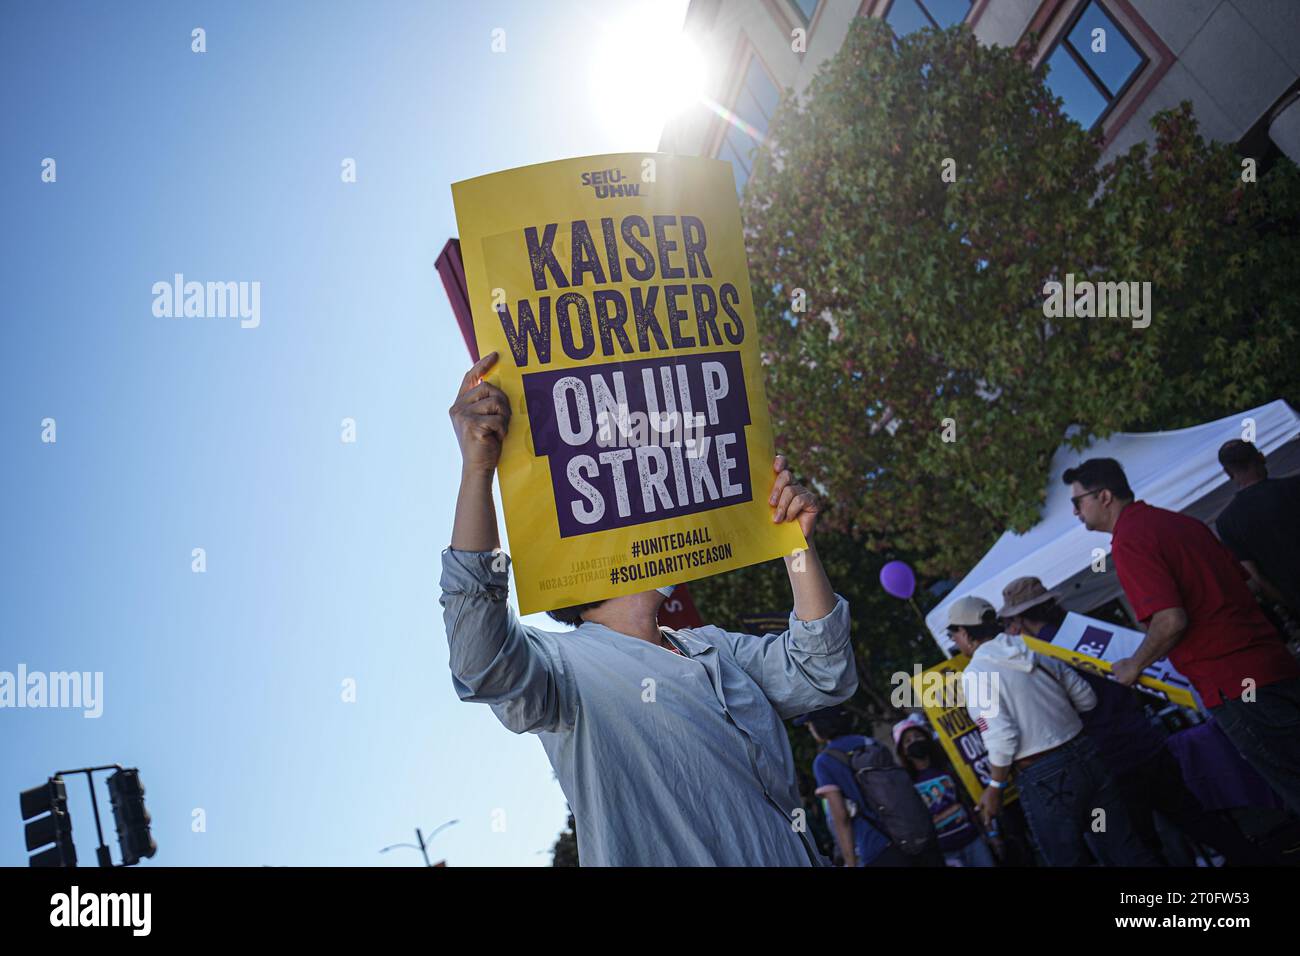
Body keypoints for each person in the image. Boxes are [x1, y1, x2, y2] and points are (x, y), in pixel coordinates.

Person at [441, 353, 857, 866]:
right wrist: (477, 470)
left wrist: (795, 544)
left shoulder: (712, 646)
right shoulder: (560, 671)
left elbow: (822, 673)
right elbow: (480, 662)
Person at [1063, 457, 1300, 819]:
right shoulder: (1179, 522)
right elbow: (1245, 581)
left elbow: (1171, 619)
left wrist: (1133, 664)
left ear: (1105, 496)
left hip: (1233, 682)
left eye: (1077, 502)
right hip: (1271, 661)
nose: (1076, 513)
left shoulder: (1129, 540)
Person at [999, 576, 1268, 865]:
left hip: (1107, 758)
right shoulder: (1085, 632)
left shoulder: (1039, 656)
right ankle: (1256, 860)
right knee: (1196, 819)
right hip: (1144, 741)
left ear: (1020, 619)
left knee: (1139, 846)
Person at [950, 595, 1159, 866]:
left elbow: (1002, 737)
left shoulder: (976, 673)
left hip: (1046, 779)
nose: (954, 641)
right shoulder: (1033, 648)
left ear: (965, 633)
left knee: (1068, 860)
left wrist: (995, 787)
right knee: (1123, 847)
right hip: (1087, 758)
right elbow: (1086, 699)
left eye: (953, 634)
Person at [800, 706, 941, 867]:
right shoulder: (870, 742)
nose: (809, 728)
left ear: (820, 725)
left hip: (877, 848)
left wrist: (850, 862)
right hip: (915, 833)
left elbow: (841, 816)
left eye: (810, 724)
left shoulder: (824, 761)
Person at [1215, 440, 1300, 627]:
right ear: (1261, 458)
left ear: (1228, 473)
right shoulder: (1295, 487)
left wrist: (1291, 603)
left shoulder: (1226, 522)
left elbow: (1255, 577)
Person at [893, 714, 997, 866]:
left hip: (973, 840)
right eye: (908, 741)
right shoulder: (906, 784)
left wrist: (990, 834)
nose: (914, 741)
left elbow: (969, 802)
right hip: (945, 853)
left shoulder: (949, 769)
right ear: (904, 753)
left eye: (918, 736)